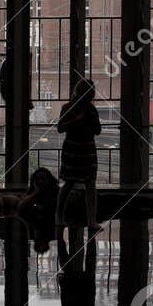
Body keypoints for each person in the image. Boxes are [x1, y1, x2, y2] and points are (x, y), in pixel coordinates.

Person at [55, 77, 102, 237]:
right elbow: (60, 128)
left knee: (74, 183)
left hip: (76, 150)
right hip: (83, 150)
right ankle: (90, 221)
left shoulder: (73, 108)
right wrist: (79, 120)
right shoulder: (72, 108)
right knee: (84, 184)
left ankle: (62, 218)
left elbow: (97, 129)